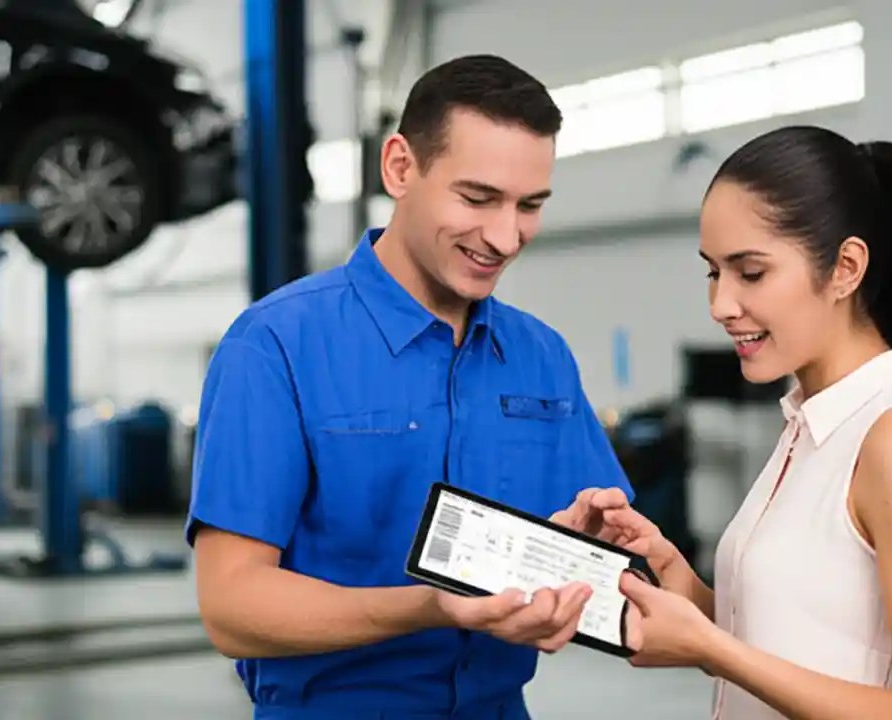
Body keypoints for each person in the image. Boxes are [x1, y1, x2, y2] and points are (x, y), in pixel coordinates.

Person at [186, 54, 637, 720]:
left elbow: (612, 566)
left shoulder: (541, 357)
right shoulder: (276, 345)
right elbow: (233, 607)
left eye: (529, 205)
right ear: (400, 167)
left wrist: (579, 552)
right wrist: (431, 605)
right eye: (477, 199)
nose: (505, 236)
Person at [607, 125, 892, 719]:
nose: (720, 305)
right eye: (713, 272)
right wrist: (690, 595)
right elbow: (810, 638)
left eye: (751, 272)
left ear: (845, 267)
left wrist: (713, 648)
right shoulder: (812, 424)